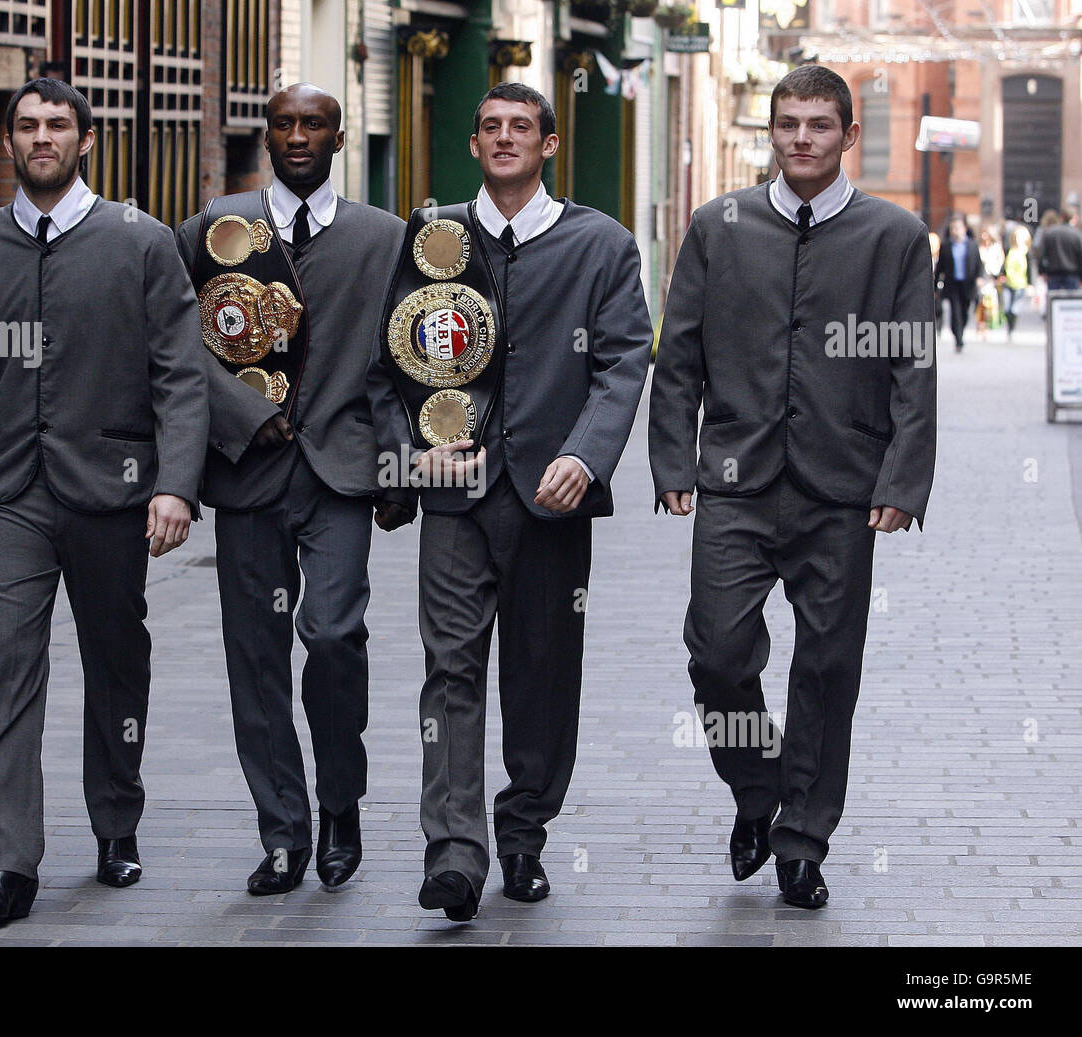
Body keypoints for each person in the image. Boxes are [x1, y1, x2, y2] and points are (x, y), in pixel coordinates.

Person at [648, 65, 936, 910]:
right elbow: (681, 356)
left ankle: (803, 839)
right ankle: (757, 785)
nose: (802, 139)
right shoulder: (719, 224)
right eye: (788, 124)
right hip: (734, 482)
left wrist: (903, 479)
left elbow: (914, 366)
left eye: (819, 125)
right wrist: (674, 462)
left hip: (842, 488)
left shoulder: (894, 235)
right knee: (718, 653)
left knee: (827, 666)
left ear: (848, 135)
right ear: (770, 133)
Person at [368, 82, 653, 921]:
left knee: (540, 675)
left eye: (520, 127)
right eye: (489, 126)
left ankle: (523, 832)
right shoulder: (433, 235)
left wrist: (586, 455)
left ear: (550, 144)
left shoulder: (601, 245)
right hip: (455, 497)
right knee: (449, 670)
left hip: (549, 499)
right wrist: (414, 455)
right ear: (473, 144)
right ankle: (454, 853)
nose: (503, 138)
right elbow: (387, 365)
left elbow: (624, 361)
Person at [0, 79, 213, 921]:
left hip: (112, 492)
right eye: (27, 126)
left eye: (57, 125)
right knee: (6, 665)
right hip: (8, 493)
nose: (41, 137)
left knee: (116, 658)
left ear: (87, 140)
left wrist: (175, 486)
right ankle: (11, 862)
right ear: (9, 143)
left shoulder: (140, 241)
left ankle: (116, 822)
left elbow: (180, 374)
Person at [175, 84, 413, 896]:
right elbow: (172, 342)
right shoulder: (214, 230)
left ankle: (340, 802)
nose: (299, 135)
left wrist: (399, 466)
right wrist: (243, 412)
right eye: (285, 124)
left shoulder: (387, 237)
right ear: (266, 135)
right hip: (248, 473)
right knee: (256, 658)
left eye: (315, 123)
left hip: (342, 472)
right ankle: (282, 832)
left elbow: (403, 361)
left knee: (336, 633)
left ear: (341, 138)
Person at [935, 214, 983, 352]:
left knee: (965, 312)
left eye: (957, 228)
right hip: (952, 284)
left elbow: (979, 264)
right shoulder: (946, 245)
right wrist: (935, 284)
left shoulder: (972, 244)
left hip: (968, 284)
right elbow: (940, 267)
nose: (955, 231)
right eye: (952, 228)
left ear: (964, 229)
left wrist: (979, 277)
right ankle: (958, 339)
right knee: (955, 312)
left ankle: (961, 331)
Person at [1034, 206, 1082, 292]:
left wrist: (1042, 271)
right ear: (1074, 218)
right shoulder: (1077, 235)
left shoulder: (1049, 233)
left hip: (1053, 274)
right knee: (1071, 302)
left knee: (1053, 301)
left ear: (1062, 217)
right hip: (1072, 275)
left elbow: (1040, 254)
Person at [1002, 225, 1033, 341]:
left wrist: (1031, 284)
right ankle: (1009, 328)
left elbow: (1030, 270)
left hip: (1020, 284)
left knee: (1014, 309)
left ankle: (1012, 328)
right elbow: (1004, 265)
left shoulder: (1026, 253)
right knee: (1006, 308)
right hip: (1008, 283)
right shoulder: (1008, 250)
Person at [975, 226, 1004, 338]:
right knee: (980, 303)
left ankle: (988, 325)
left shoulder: (996, 247)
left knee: (990, 303)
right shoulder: (979, 247)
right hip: (982, 278)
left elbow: (1001, 262)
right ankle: (981, 325)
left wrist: (998, 276)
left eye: (986, 234)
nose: (984, 236)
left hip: (992, 278)